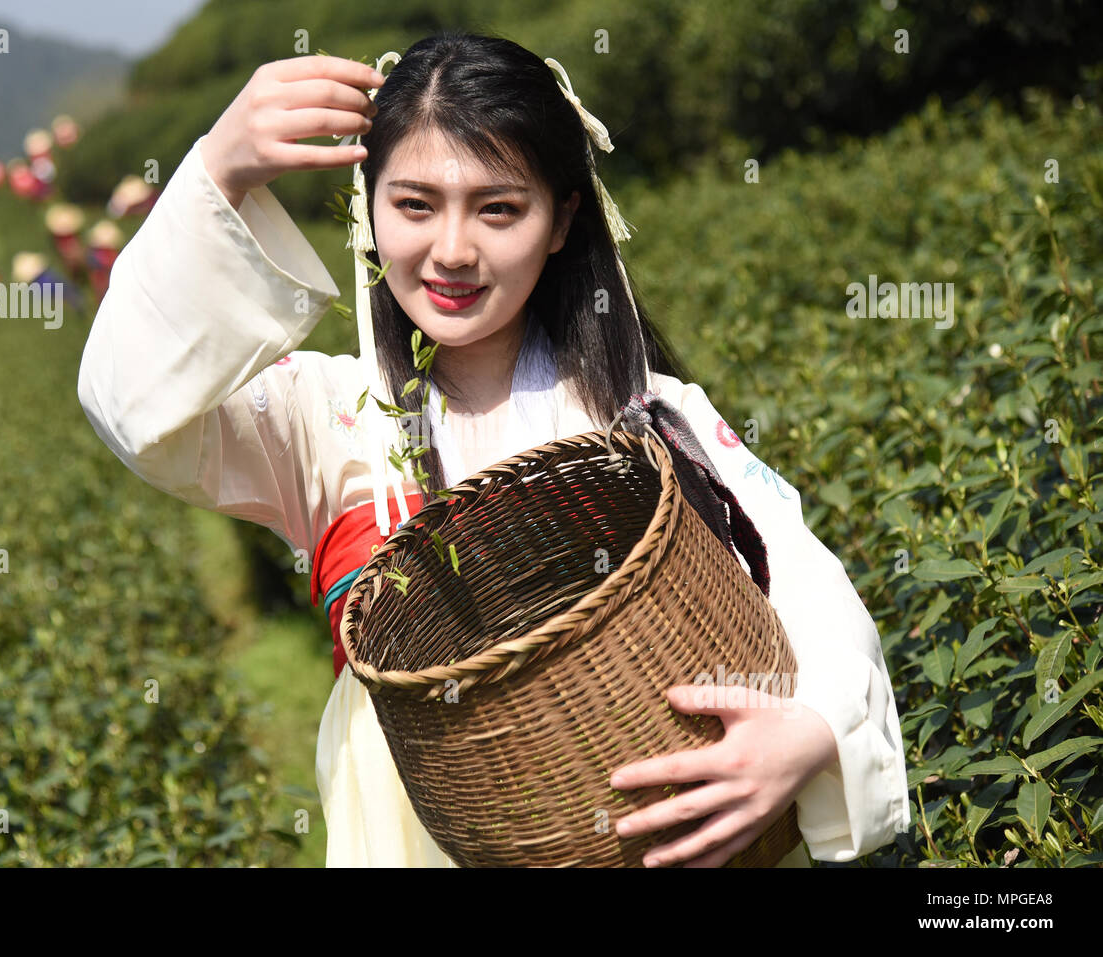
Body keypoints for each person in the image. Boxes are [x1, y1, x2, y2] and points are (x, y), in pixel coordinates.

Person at [78, 33, 909, 868]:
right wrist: (218, 169)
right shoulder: (325, 418)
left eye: (499, 208)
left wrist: (813, 734)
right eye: (413, 205)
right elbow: (134, 406)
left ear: (562, 220)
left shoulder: (646, 415)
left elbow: (803, 578)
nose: (452, 250)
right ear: (367, 207)